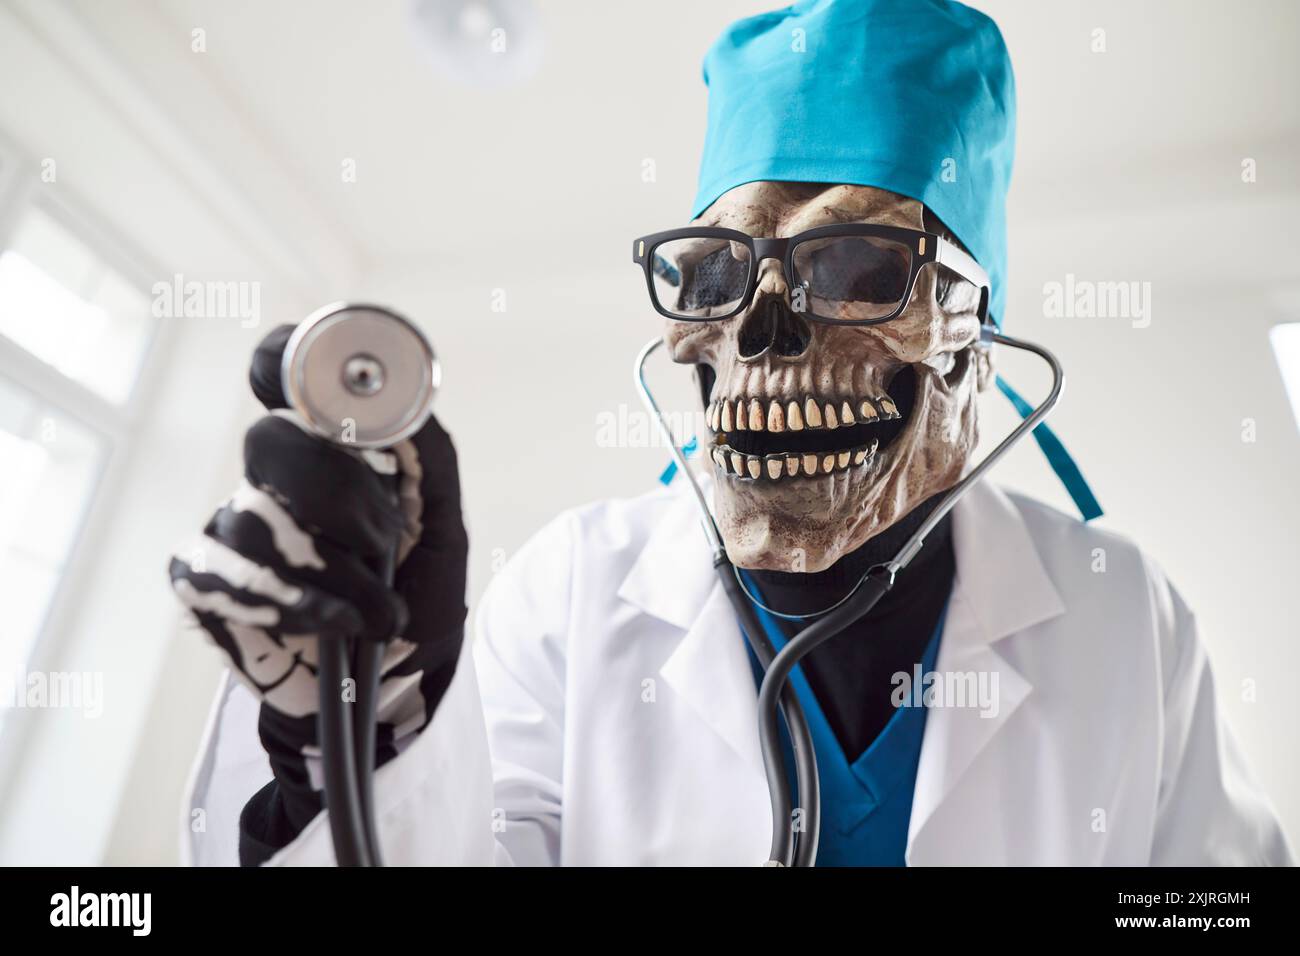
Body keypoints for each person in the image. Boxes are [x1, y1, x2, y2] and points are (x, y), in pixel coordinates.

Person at [171, 0, 1291, 866]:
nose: (758, 332)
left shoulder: (1120, 611)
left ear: (968, 329)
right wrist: (354, 737)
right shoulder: (572, 588)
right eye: (711, 273)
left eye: (855, 267)